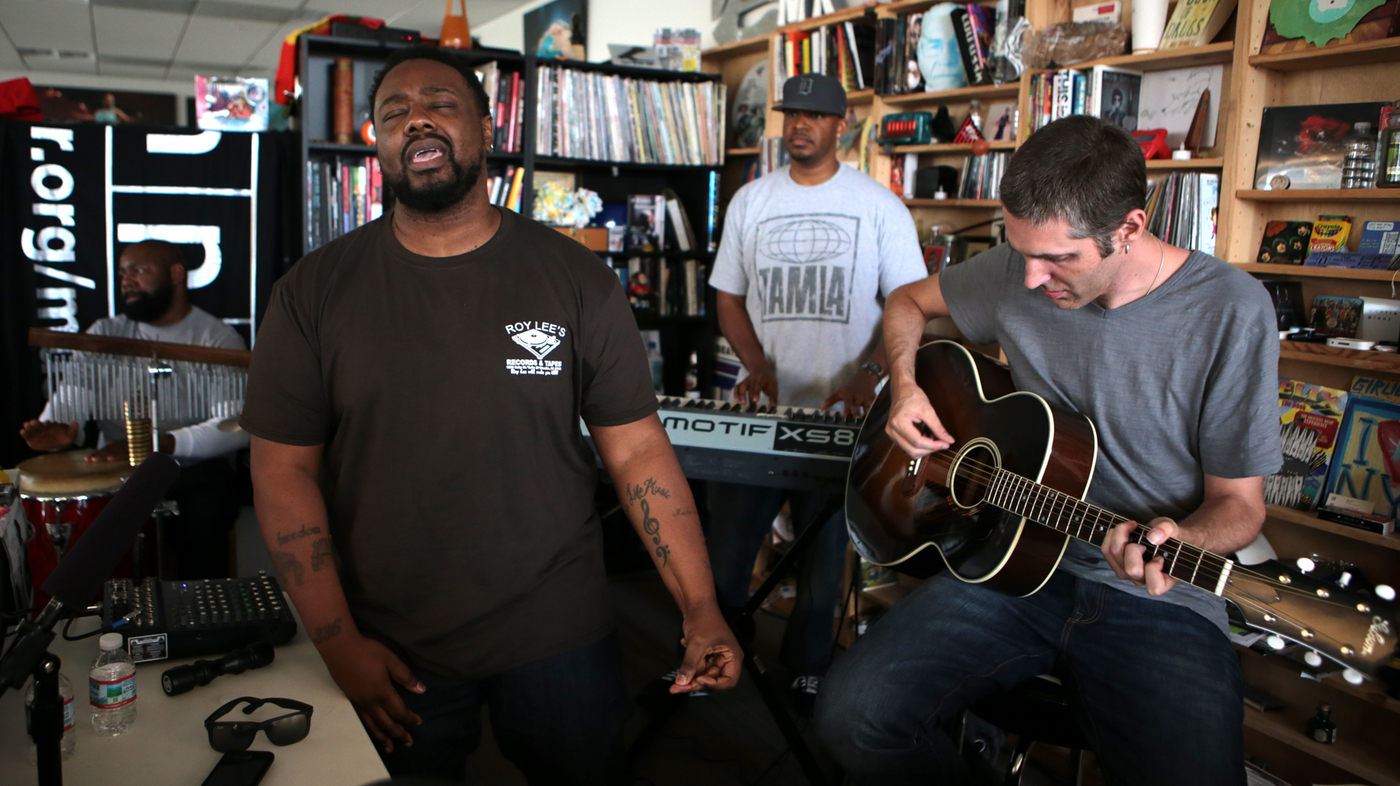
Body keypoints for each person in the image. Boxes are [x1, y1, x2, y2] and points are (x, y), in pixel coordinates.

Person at [238, 45, 740, 784]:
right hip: (389, 638)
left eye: (439, 103)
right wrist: (338, 642)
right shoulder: (311, 293)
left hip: (558, 632)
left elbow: (637, 453)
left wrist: (701, 607)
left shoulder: (575, 280)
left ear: (485, 128)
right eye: (394, 113)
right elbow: (282, 472)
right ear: (376, 142)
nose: (416, 120)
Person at [814, 115, 1282, 785]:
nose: (1031, 279)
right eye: (1021, 251)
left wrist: (1180, 537)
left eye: (1058, 259)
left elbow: (1240, 507)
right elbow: (907, 305)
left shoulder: (1230, 310)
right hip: (1009, 559)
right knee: (852, 717)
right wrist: (908, 386)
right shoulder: (1017, 269)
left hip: (1157, 597)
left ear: (1129, 228)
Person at [706, 73, 926, 714]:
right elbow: (728, 298)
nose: (798, 124)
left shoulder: (879, 206)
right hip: (763, 418)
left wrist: (871, 373)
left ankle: (807, 668)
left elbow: (911, 304)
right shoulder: (751, 200)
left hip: (843, 425)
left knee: (824, 566)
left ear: (840, 124)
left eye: (813, 115)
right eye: (791, 114)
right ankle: (720, 655)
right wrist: (755, 365)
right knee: (725, 559)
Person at [19, 240, 249, 579]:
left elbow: (237, 427)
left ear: (175, 274)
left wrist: (160, 443)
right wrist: (59, 428)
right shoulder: (105, 333)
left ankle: (199, 618)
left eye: (139, 271)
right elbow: (73, 393)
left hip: (192, 471)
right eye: (124, 273)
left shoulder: (218, 338)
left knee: (206, 517)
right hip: (117, 471)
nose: (127, 280)